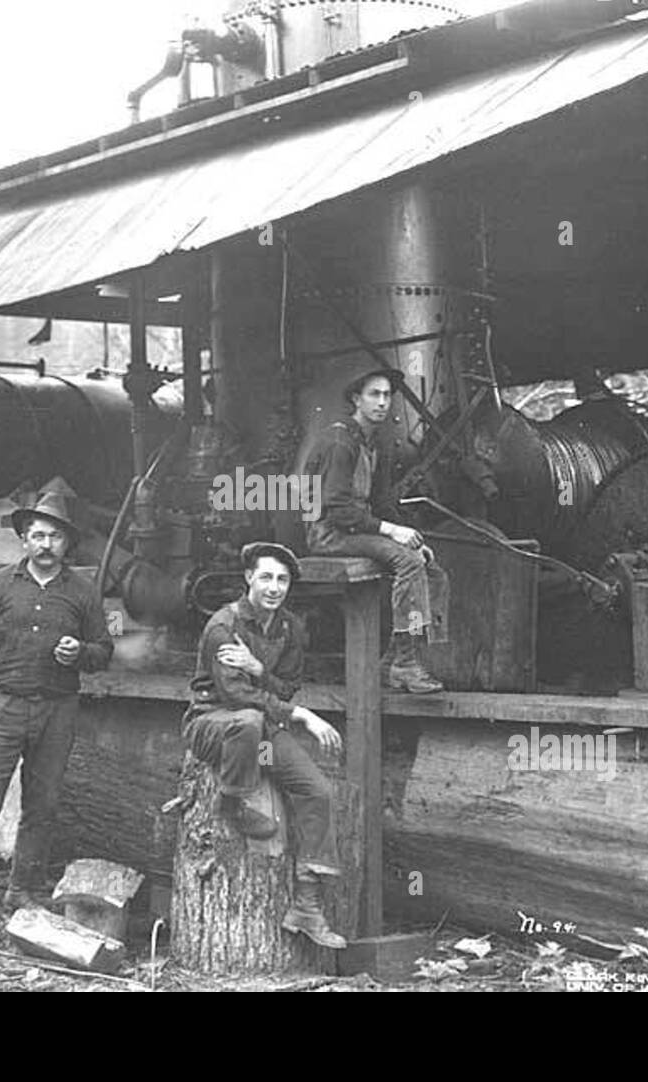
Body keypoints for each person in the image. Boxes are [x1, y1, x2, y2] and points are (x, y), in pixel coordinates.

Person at [0, 493, 113, 914]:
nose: (45, 544)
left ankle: (22, 889)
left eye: (54, 536)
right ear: (23, 539)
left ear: (66, 543)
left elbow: (105, 649)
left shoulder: (84, 592)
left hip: (57, 710)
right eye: (37, 535)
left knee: (44, 803)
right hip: (0, 707)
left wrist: (81, 653)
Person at [183, 542, 347, 950]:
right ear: (248, 579)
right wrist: (301, 715)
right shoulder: (224, 625)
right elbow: (237, 697)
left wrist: (258, 668)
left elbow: (288, 686)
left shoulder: (290, 628)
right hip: (212, 724)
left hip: (261, 729)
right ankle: (231, 801)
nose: (274, 587)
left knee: (318, 791)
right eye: (267, 577)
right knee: (249, 721)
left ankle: (306, 906)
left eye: (283, 580)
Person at [306, 367, 446, 693]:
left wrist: (409, 537)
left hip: (353, 529)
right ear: (357, 399)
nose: (382, 402)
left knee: (426, 563)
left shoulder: (373, 442)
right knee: (407, 562)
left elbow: (381, 503)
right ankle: (406, 664)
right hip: (328, 533)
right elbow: (337, 508)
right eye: (374, 395)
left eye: (386, 395)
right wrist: (392, 534)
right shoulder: (340, 441)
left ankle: (396, 658)